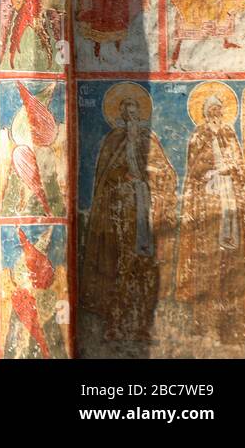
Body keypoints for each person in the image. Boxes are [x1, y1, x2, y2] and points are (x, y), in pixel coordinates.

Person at [81, 85, 177, 341]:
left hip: (145, 210)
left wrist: (146, 178)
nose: (131, 115)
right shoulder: (112, 141)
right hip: (119, 215)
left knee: (145, 266)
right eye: (126, 111)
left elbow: (166, 173)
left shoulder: (148, 139)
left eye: (135, 110)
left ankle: (142, 325)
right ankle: (114, 323)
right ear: (121, 115)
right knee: (118, 266)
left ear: (140, 113)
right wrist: (122, 178)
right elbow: (105, 179)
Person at [175, 87, 245, 343]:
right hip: (207, 205)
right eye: (212, 110)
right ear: (204, 113)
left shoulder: (228, 133)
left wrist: (232, 169)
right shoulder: (199, 135)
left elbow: (238, 163)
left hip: (229, 204)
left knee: (230, 261)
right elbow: (194, 168)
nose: (216, 113)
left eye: (219, 110)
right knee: (205, 261)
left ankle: (231, 322)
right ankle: (202, 321)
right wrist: (213, 167)